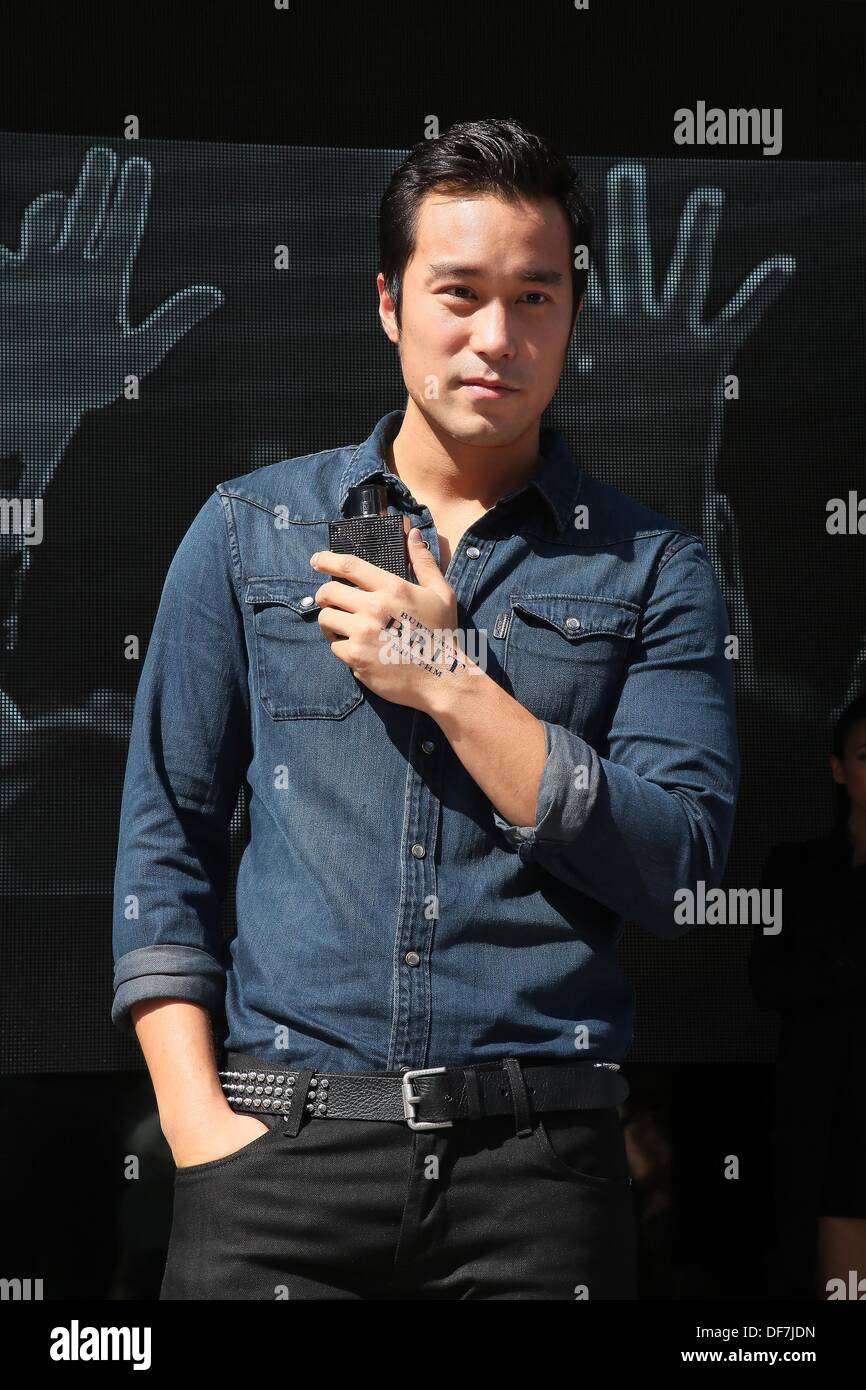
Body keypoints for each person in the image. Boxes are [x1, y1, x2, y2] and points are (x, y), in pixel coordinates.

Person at [111, 116, 740, 1300]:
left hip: (536, 1171)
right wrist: (199, 1130)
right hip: (275, 1159)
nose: (496, 336)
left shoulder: (653, 569)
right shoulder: (253, 530)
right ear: (390, 302)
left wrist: (449, 681)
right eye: (458, 292)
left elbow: (675, 861)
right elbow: (166, 840)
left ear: (570, 315)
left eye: (535, 297)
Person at [749, 692, 866, 1299]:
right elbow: (769, 981)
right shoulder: (797, 870)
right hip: (823, 1109)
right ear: (837, 768)